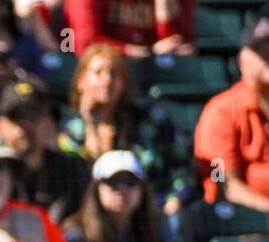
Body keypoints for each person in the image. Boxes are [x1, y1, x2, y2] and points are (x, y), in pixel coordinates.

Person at [58, 42, 186, 213]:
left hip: (154, 211)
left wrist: (175, 198)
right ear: (81, 81)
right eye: (98, 73)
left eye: (114, 73)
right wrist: (91, 125)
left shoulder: (148, 116)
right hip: (94, 217)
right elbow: (88, 177)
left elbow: (182, 164)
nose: (107, 80)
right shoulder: (71, 128)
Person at [60, 150, 179, 242]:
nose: (122, 190)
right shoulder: (76, 235)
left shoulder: (157, 229)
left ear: (142, 189)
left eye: (130, 182)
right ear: (96, 188)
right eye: (113, 182)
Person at [195, 15, 269, 211]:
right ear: (241, 61)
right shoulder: (223, 109)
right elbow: (224, 186)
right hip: (241, 223)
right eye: (262, 51)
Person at [0, 77, 91, 225]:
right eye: (17, 118)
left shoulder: (72, 172)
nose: (25, 126)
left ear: (48, 123)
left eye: (32, 117)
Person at [63, 0, 195, 58]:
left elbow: (177, 47)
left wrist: (163, 7)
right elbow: (87, 45)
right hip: (106, 75)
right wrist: (147, 52)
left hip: (149, 77)